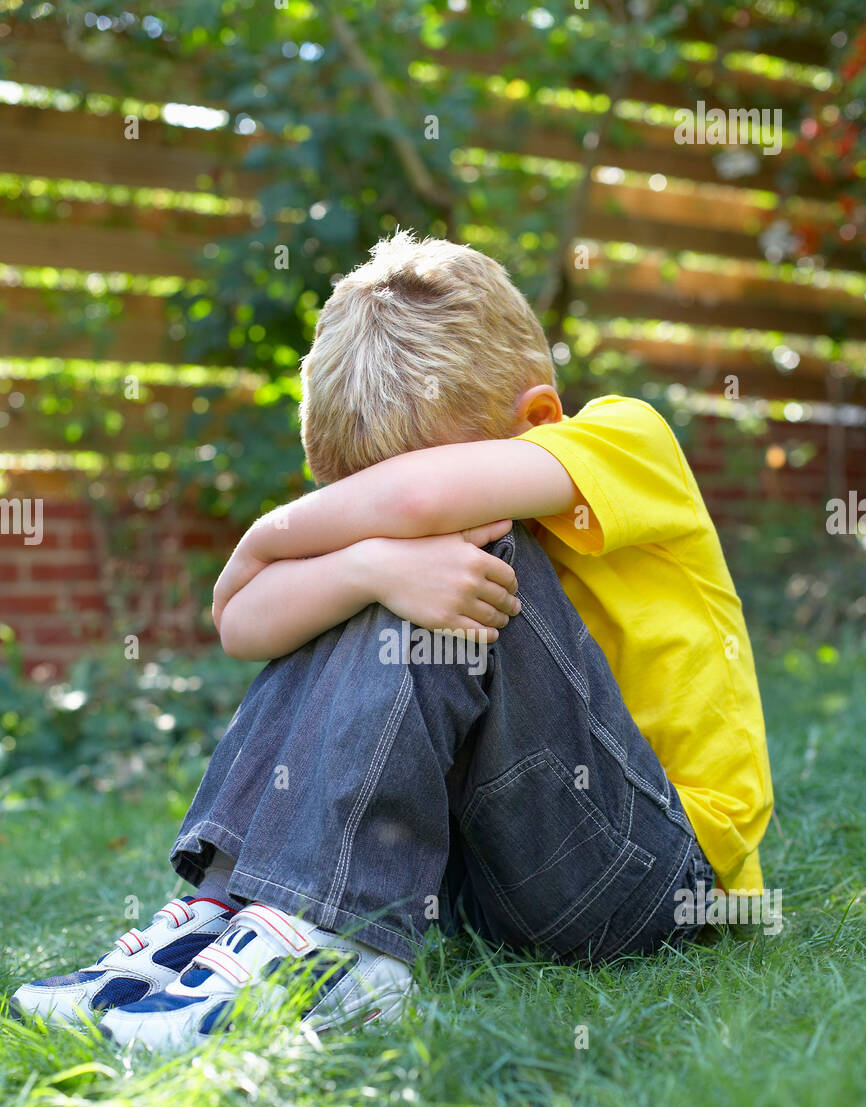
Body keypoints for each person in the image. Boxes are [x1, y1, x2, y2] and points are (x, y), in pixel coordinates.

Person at [11, 231, 773, 1051]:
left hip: (653, 877)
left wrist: (277, 535)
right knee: (366, 582)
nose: (380, 510)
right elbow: (241, 620)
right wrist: (366, 565)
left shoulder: (629, 441)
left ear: (540, 419)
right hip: (484, 889)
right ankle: (225, 913)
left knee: (467, 560)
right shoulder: (398, 542)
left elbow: (416, 502)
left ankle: (345, 956)